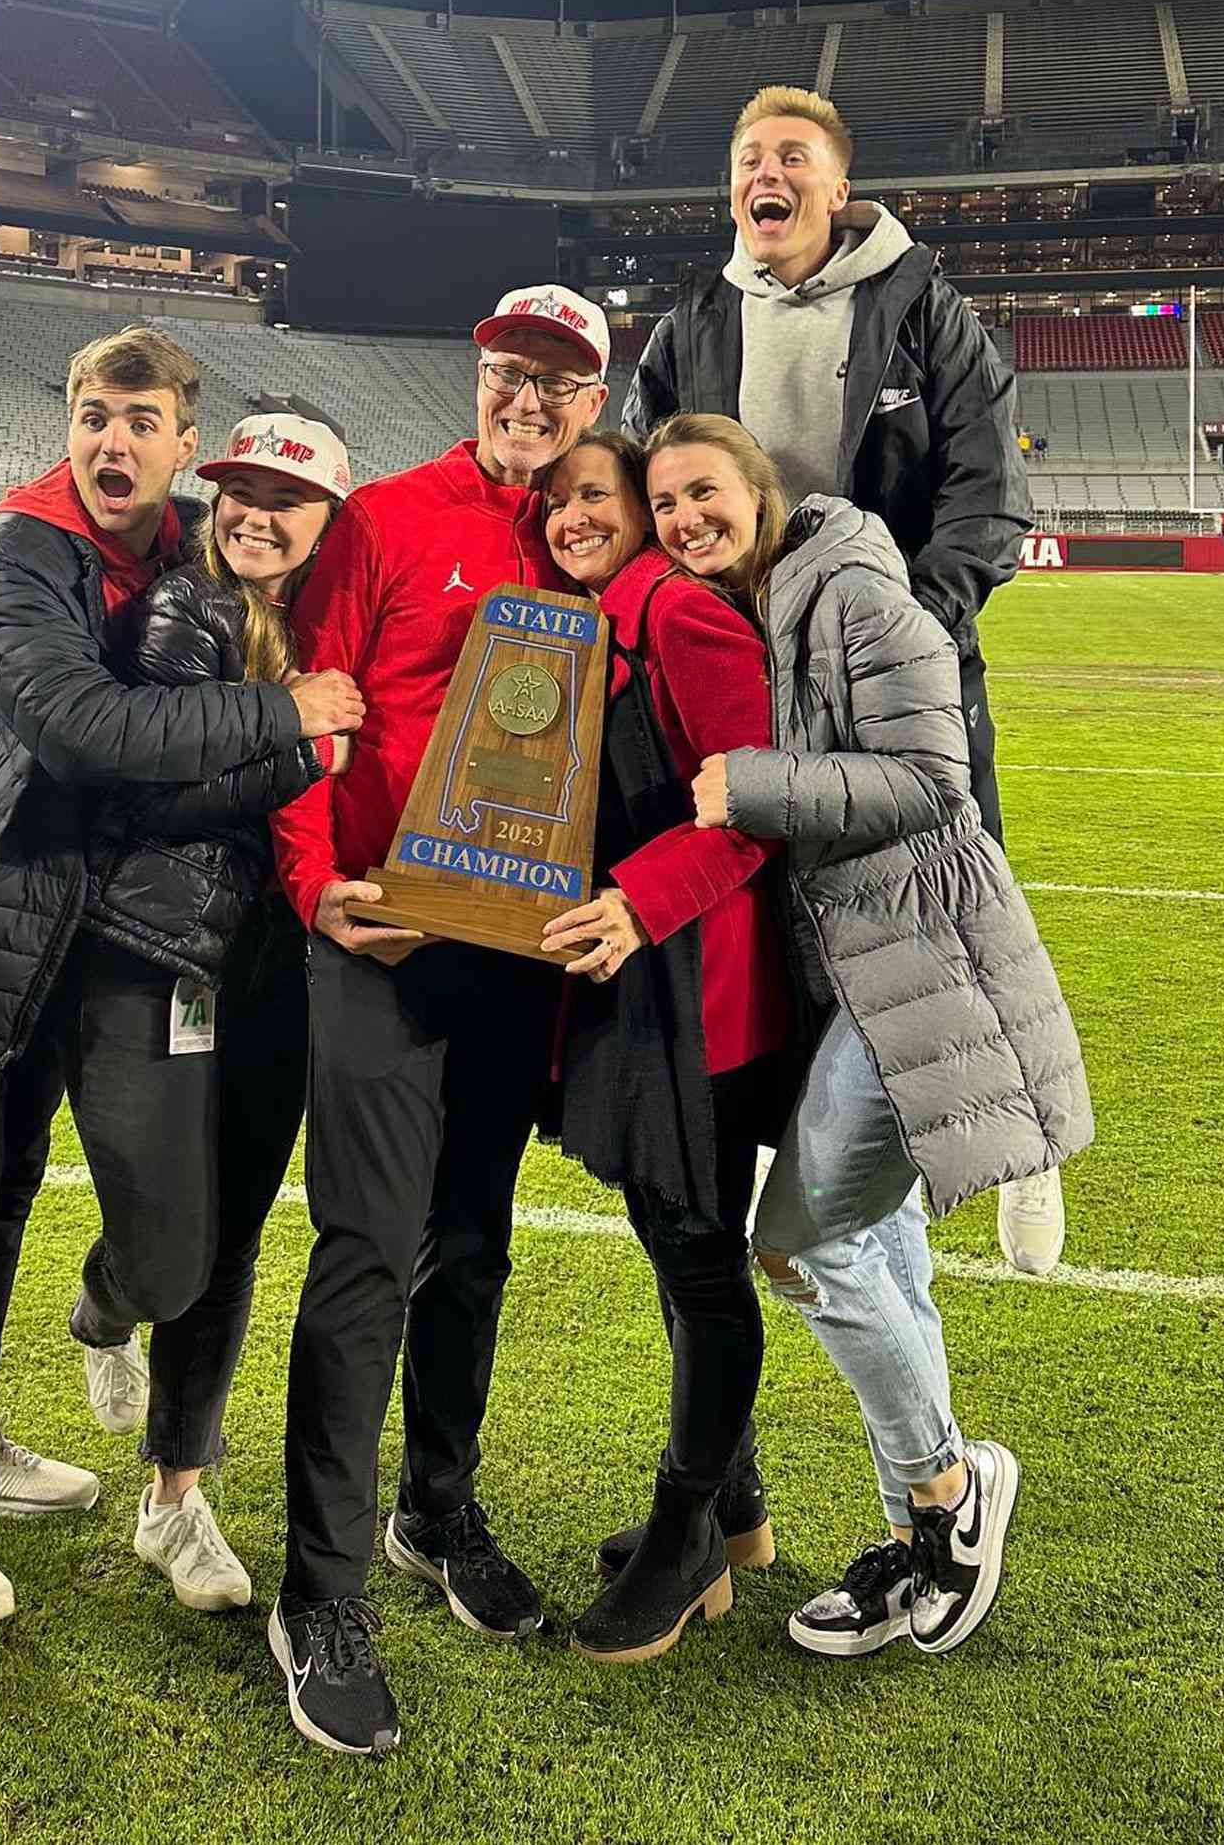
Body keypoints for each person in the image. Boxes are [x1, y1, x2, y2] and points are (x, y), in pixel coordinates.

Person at [0, 329, 363, 1640]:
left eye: (140, 419)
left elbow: (280, 528)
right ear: (67, 423)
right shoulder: (12, 556)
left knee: (0, 1192)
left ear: (183, 442)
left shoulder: (163, 544)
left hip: (30, 934)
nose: (111, 440)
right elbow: (92, 732)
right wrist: (298, 719)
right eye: (91, 413)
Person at [645, 413, 1092, 1663]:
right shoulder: (761, 597)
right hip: (853, 979)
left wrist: (755, 782)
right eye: (662, 503)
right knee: (882, 1250)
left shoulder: (849, 587)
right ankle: (921, 1528)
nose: (682, 519)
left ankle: (949, 1491)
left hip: (920, 966)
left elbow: (929, 773)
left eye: (701, 492)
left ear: (760, 488)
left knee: (802, 1243)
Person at [619, 88, 1060, 1279]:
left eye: (790, 157)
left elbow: (984, 492)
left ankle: (1022, 1143)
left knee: (947, 901)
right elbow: (635, 479)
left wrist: (904, 626)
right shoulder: (693, 318)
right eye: (746, 156)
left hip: (883, 644)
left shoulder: (920, 304)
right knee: (789, 915)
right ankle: (817, 1150)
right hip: (740, 660)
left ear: (835, 186)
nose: (765, 173)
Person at [266, 283, 610, 1757]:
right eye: (508, 370)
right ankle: (317, 1589)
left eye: (558, 379)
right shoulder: (389, 517)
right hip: (380, 939)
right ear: (476, 374)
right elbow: (302, 702)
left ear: (595, 400)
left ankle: (435, 1504)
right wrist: (314, 883)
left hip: (513, 955)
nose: (527, 397)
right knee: (366, 1252)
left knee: (473, 1243)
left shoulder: (601, 533)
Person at [68, 413, 353, 1616]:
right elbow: (157, 786)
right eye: (237, 486)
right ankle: (104, 1297)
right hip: (156, 955)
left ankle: (174, 1499)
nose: (253, 512)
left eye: (286, 496)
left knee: (231, 1233)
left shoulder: (324, 622)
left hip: (273, 965)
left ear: (330, 516)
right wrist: (305, 742)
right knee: (167, 1239)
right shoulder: (186, 610)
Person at [533, 433, 792, 1662]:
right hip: (638, 975)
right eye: (556, 501)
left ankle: (687, 1533)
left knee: (696, 1261)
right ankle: (734, 1512)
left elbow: (755, 814)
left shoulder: (680, 615)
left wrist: (638, 900)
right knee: (669, 1240)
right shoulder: (599, 616)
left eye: (597, 495)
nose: (573, 515)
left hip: (698, 986)